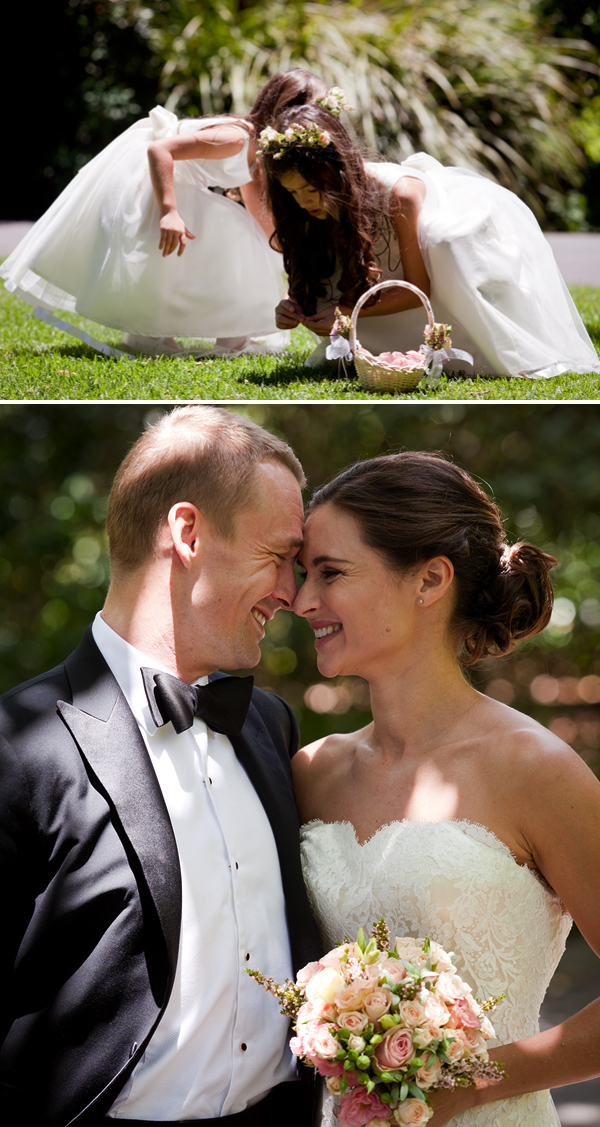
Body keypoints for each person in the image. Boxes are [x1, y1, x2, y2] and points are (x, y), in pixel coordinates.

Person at [0, 405, 321, 1127]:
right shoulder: (16, 747)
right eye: (279, 557)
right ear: (188, 532)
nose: (293, 594)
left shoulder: (270, 725)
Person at [292, 451, 600, 1127]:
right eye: (301, 573)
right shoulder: (312, 771)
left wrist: (475, 1080)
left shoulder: (534, 768)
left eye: (330, 572)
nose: (300, 599)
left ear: (429, 579)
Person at [0, 71, 326, 358]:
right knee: (226, 229)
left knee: (237, 230)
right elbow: (159, 150)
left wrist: (289, 252)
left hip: (174, 183)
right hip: (146, 182)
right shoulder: (237, 136)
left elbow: (257, 212)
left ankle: (231, 334)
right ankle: (152, 333)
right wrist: (170, 211)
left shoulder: (262, 149)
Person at [262, 105, 600, 377]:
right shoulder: (309, 212)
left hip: (437, 255)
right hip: (377, 261)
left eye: (311, 189)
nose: (304, 202)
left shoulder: (400, 195)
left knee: (444, 242)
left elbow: (418, 288)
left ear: (336, 173)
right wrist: (292, 301)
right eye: (293, 192)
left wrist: (348, 313)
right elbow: (319, 266)